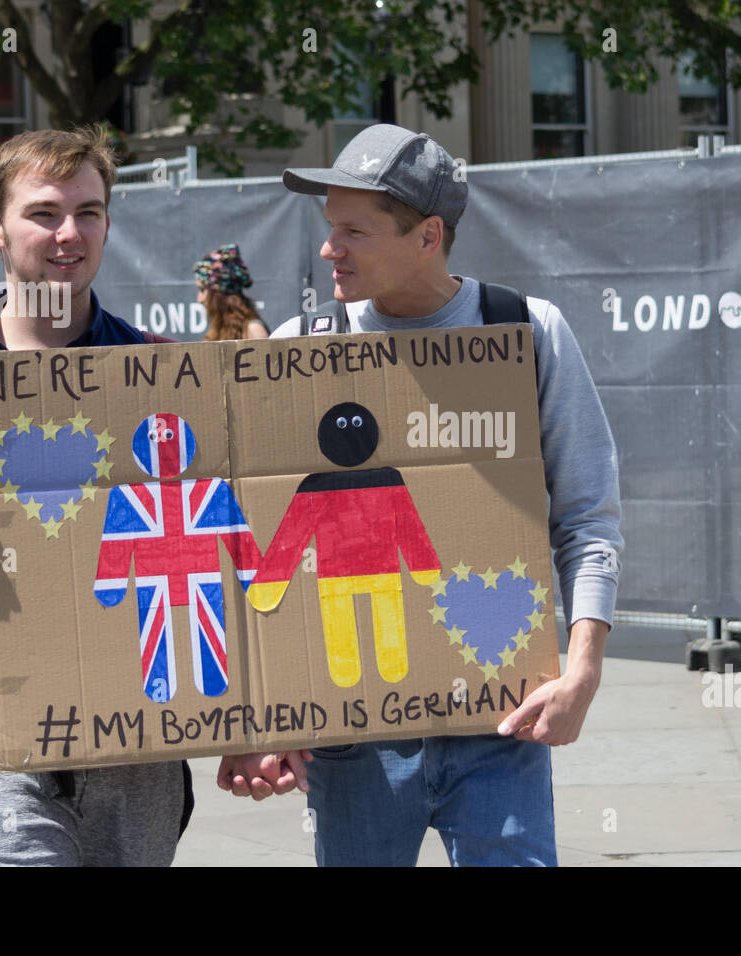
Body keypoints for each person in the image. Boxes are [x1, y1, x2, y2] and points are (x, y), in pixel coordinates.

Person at [0, 127, 308, 866]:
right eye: (45, 213)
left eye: (88, 212)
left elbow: (229, 557)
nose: (69, 233)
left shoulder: (162, 377)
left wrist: (256, 724)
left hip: (140, 733)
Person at [217, 124, 624, 866]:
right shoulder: (297, 351)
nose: (327, 249)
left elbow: (587, 517)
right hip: (355, 744)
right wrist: (260, 714)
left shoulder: (527, 334)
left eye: (352, 231)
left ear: (429, 234)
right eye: (327, 228)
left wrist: (583, 670)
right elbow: (253, 547)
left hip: (502, 725)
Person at [194, 242, 269, 340]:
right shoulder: (218, 330)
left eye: (202, 290)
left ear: (219, 293)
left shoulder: (253, 330)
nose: (199, 299)